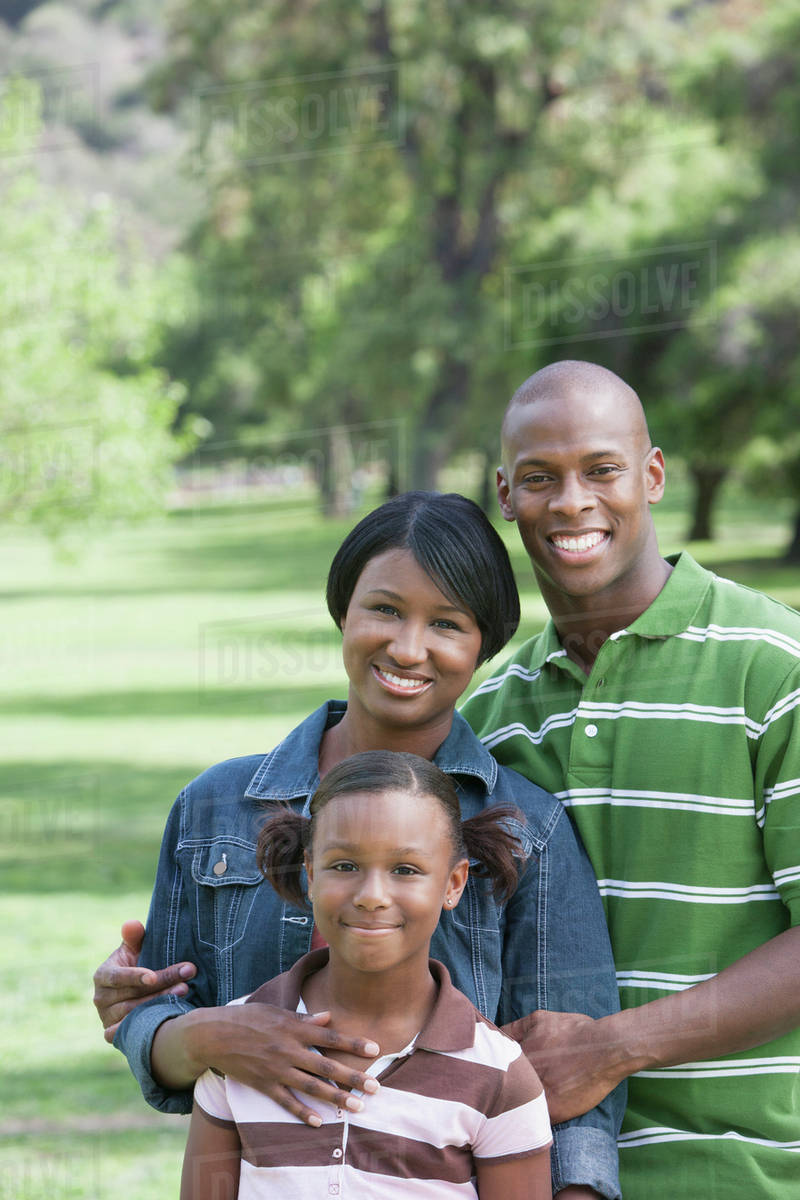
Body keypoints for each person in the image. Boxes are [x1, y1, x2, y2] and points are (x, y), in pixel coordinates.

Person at [95, 491, 625, 1200]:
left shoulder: (531, 829)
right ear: (342, 610)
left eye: (447, 623)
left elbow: (575, 1083)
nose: (408, 648)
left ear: (484, 645)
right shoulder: (215, 806)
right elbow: (154, 1016)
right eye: (383, 609)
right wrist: (207, 1037)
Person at [461, 360, 800, 1199]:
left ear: (650, 475)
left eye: (602, 470)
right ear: (506, 494)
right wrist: (171, 1006)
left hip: (746, 1170)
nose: (572, 501)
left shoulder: (771, 667)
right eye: (540, 478)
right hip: (538, 1175)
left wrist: (613, 1046)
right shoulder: (492, 716)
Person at [181, 749, 554, 1200]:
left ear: (453, 884)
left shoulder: (499, 1075)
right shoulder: (240, 1044)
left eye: (405, 869)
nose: (372, 896)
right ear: (311, 873)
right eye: (345, 866)